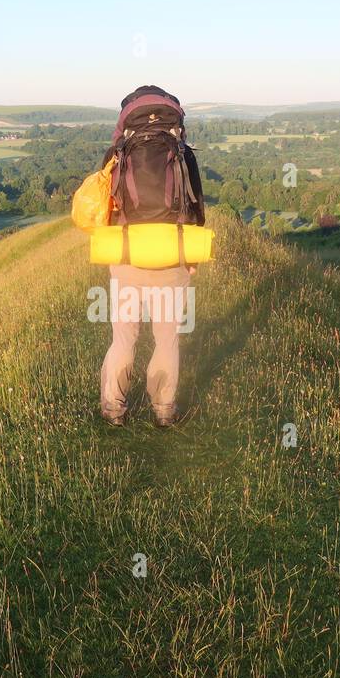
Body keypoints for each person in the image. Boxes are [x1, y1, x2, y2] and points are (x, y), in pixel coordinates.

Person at [98, 85, 206, 427]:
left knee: (124, 338)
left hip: (128, 258)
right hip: (171, 257)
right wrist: (191, 258)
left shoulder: (117, 154)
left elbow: (104, 206)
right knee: (167, 338)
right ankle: (163, 410)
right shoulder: (182, 153)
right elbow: (196, 209)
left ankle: (114, 409)